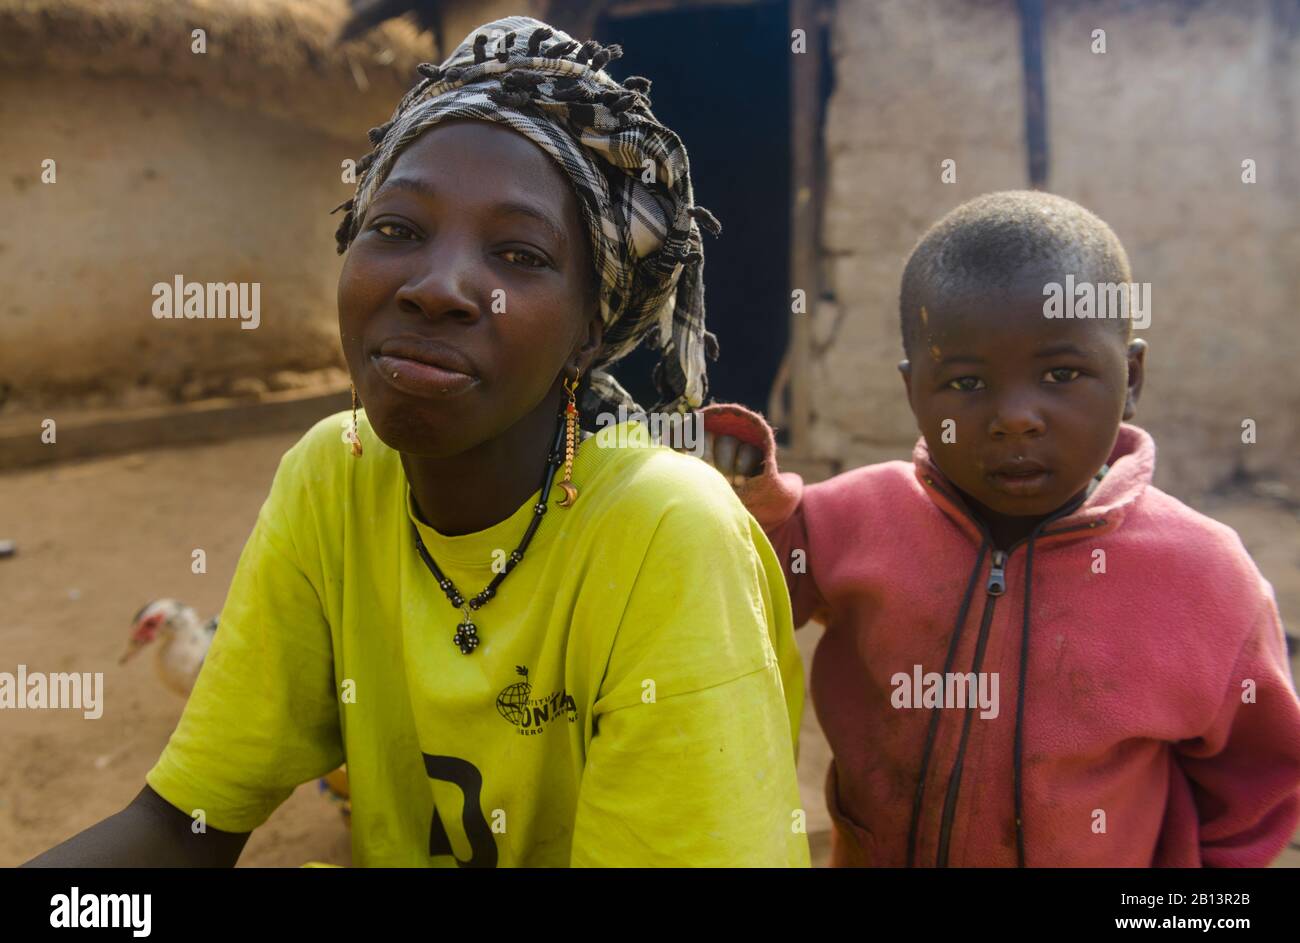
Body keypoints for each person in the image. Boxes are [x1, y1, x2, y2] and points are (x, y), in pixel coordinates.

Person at [25, 16, 808, 868]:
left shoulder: (666, 535)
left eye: (517, 253)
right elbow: (182, 831)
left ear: (591, 331)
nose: (438, 289)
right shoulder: (336, 474)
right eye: (397, 230)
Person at [695, 191, 1300, 866]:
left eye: (1062, 373)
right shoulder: (859, 516)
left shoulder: (1205, 578)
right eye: (966, 382)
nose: (1016, 417)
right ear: (912, 389)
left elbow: (1257, 782)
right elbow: (755, 585)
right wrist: (749, 492)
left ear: (1130, 377)